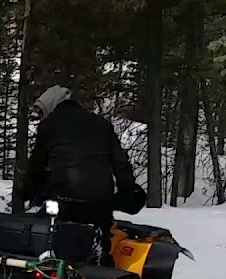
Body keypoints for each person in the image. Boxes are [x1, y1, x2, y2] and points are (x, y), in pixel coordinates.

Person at [12, 85, 144, 231]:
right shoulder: (102, 124)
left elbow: (37, 165)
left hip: (63, 200)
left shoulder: (49, 125)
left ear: (51, 105)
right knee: (102, 237)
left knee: (43, 236)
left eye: (43, 111)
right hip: (100, 201)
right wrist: (127, 191)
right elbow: (121, 163)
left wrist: (28, 192)